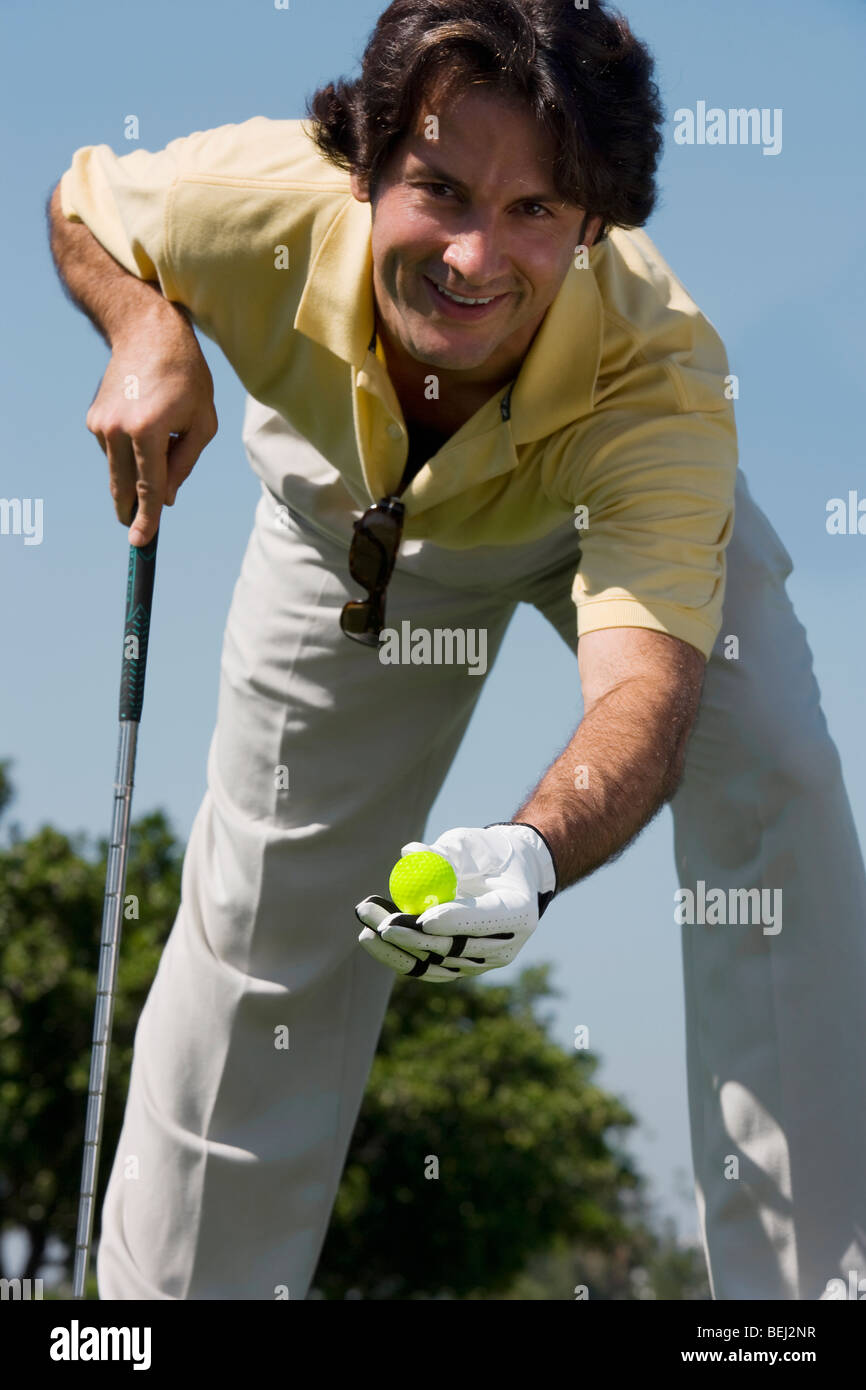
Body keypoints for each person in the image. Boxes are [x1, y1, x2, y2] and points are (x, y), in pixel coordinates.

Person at [49, 0, 866, 1301]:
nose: (476, 255)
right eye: (438, 187)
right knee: (266, 905)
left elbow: (645, 685)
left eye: (536, 209)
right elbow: (82, 206)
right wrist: (146, 327)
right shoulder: (249, 199)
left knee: (771, 764)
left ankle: (809, 1302)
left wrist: (533, 850)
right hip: (350, 519)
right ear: (365, 162)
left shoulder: (661, 376)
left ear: (594, 221)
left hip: (594, 503)